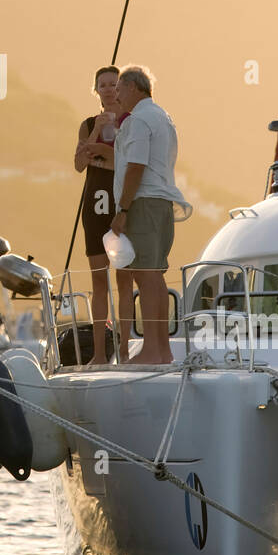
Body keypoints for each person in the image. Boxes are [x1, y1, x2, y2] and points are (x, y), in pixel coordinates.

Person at [110, 66, 191, 364]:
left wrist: (123, 210)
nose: (116, 96)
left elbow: (136, 166)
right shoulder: (163, 117)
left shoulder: (139, 120)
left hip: (143, 204)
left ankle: (152, 351)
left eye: (119, 89)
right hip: (162, 203)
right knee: (154, 274)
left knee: (144, 275)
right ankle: (161, 350)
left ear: (133, 87)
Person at [74, 65, 135, 366]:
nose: (109, 90)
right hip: (95, 205)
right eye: (103, 85)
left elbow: (125, 161)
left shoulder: (131, 122)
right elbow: (79, 163)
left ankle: (124, 351)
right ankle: (99, 353)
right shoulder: (87, 124)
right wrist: (97, 134)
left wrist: (98, 153)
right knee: (99, 281)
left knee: (125, 281)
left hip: (121, 204)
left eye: (114, 84)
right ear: (96, 90)